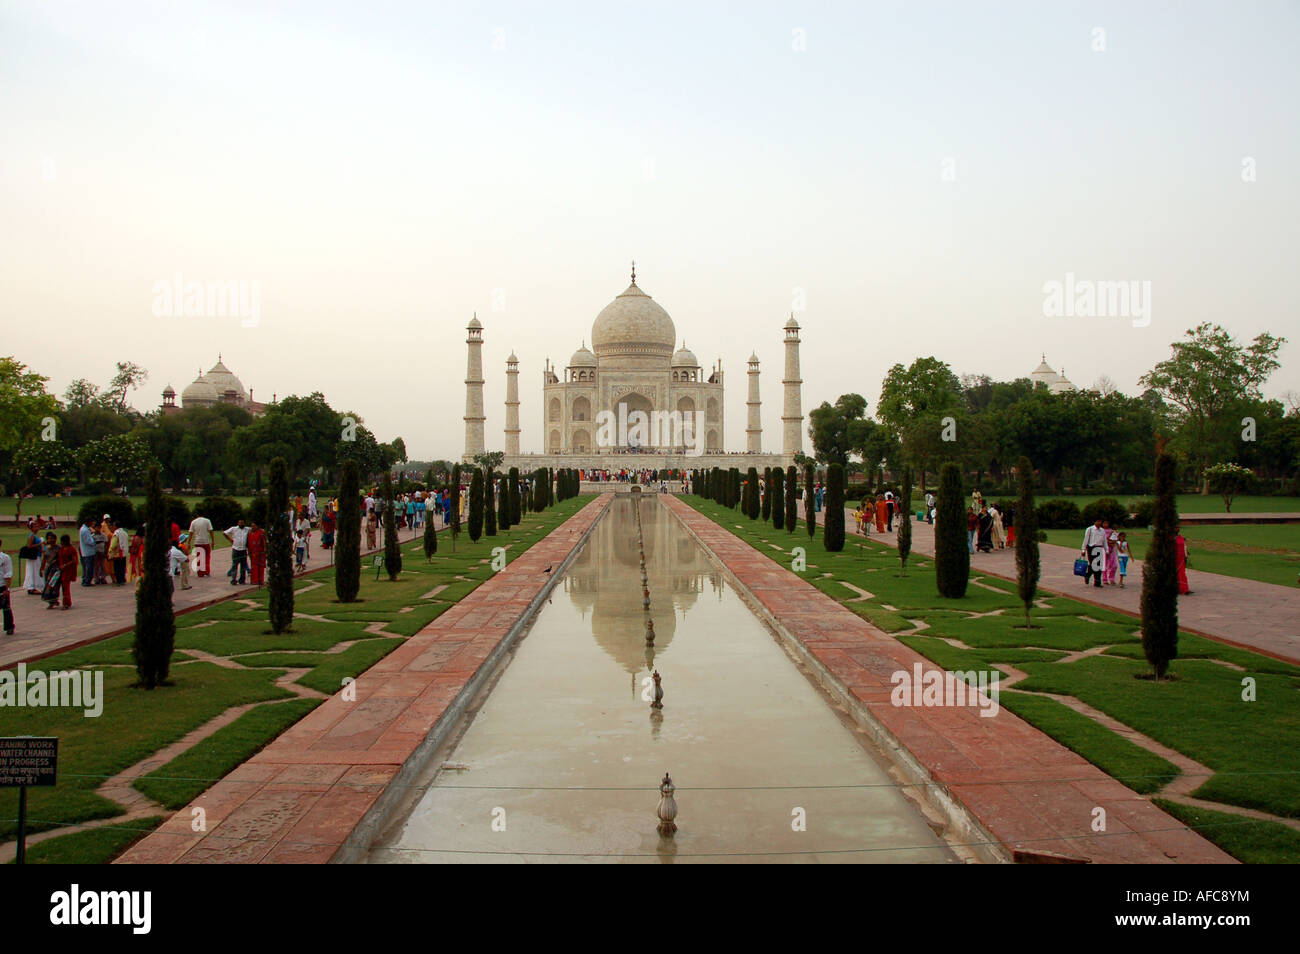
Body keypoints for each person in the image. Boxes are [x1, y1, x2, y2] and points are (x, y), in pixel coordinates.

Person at [1081, 517, 1107, 589]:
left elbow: (1104, 540)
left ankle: (1097, 582)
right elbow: (1086, 539)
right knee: (1093, 564)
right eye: (1097, 521)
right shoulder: (1090, 529)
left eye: (1100, 521)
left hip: (1100, 548)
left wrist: (1106, 550)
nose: (1099, 523)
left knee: (1099, 566)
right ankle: (1088, 575)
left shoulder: (1102, 531)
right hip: (1092, 548)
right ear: (1095, 522)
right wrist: (1083, 549)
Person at [222, 519, 250, 585]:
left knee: (243, 565)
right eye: (240, 523)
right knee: (235, 565)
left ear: (244, 523)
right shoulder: (234, 528)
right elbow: (224, 533)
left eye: (242, 523)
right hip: (236, 549)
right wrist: (230, 540)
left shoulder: (247, 529)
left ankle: (242, 580)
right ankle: (233, 579)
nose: (241, 524)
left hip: (243, 549)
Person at [21, 520, 44, 594]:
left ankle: (34, 587)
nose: (37, 528)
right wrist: (40, 543)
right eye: (35, 526)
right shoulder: (32, 536)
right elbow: (29, 546)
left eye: (37, 526)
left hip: (37, 555)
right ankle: (32, 587)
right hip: (34, 556)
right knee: (33, 571)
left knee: (36, 571)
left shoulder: (34, 536)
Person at [188, 511, 214, 577]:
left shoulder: (193, 522)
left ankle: (200, 573)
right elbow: (211, 531)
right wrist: (213, 541)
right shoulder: (207, 521)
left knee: (200, 557)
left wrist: (189, 542)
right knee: (207, 556)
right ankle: (207, 571)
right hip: (205, 541)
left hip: (197, 542)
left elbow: (191, 532)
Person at [56, 533, 79, 609]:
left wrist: (65, 565)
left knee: (66, 587)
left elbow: (74, 560)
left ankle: (66, 603)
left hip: (68, 570)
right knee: (63, 587)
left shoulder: (71, 549)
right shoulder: (61, 549)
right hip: (62, 570)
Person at [0, 537, 14, 635]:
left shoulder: (5, 558)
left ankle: (9, 627)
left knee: (6, 607)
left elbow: (8, 573)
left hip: (2, 585)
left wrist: (7, 588)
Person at [247, 521, 267, 587]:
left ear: (257, 526)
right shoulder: (249, 533)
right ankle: (254, 580)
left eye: (254, 526)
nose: (252, 527)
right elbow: (248, 544)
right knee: (253, 567)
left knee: (260, 567)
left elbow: (264, 542)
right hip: (253, 553)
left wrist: (264, 550)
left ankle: (260, 580)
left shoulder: (261, 533)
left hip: (260, 553)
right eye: (251, 526)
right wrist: (249, 552)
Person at [78, 518, 97, 586]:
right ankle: (87, 581)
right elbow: (88, 541)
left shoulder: (84, 529)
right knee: (89, 567)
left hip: (86, 551)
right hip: (88, 552)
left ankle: (86, 580)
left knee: (87, 567)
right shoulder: (85, 530)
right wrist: (94, 541)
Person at [109, 520, 128, 585]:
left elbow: (113, 544)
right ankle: (122, 579)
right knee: (122, 566)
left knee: (117, 567)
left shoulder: (116, 533)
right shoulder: (125, 532)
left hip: (118, 552)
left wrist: (110, 550)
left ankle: (119, 580)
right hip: (124, 552)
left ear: (116, 526)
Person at [1175, 528, 1191, 595]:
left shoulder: (1180, 538)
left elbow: (1184, 548)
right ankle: (1181, 588)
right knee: (1180, 574)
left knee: (1181, 574)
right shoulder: (1178, 539)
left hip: (1181, 559)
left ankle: (1183, 588)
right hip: (1177, 559)